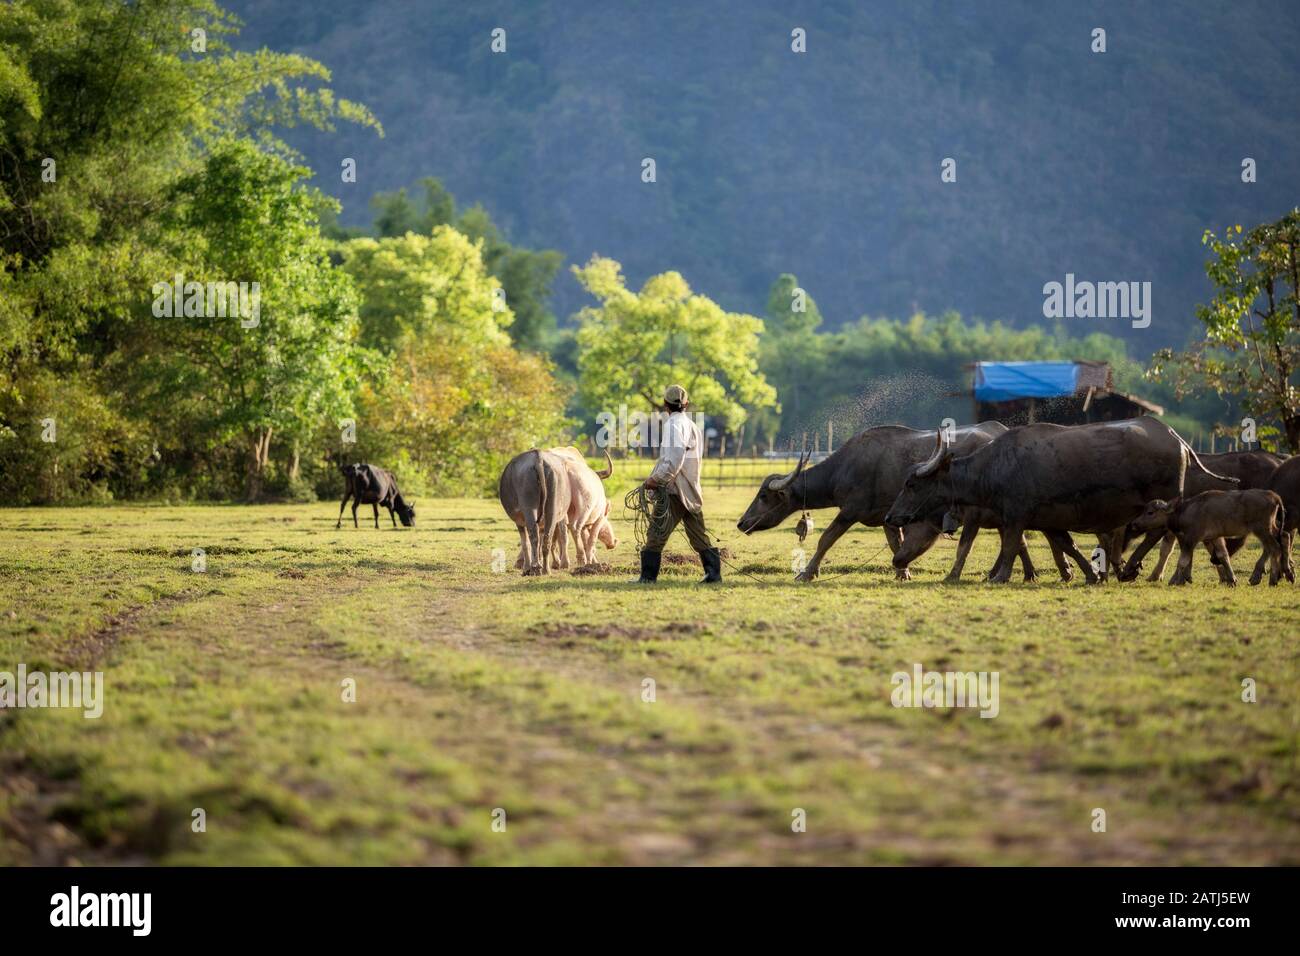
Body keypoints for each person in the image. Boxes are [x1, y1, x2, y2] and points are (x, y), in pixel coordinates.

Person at [634, 384, 722, 584]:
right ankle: (713, 574)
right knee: (698, 536)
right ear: (686, 404)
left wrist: (655, 480)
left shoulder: (673, 426)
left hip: (673, 490)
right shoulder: (693, 427)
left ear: (666, 405)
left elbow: (673, 461)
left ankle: (647, 577)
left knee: (656, 532)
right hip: (691, 489)